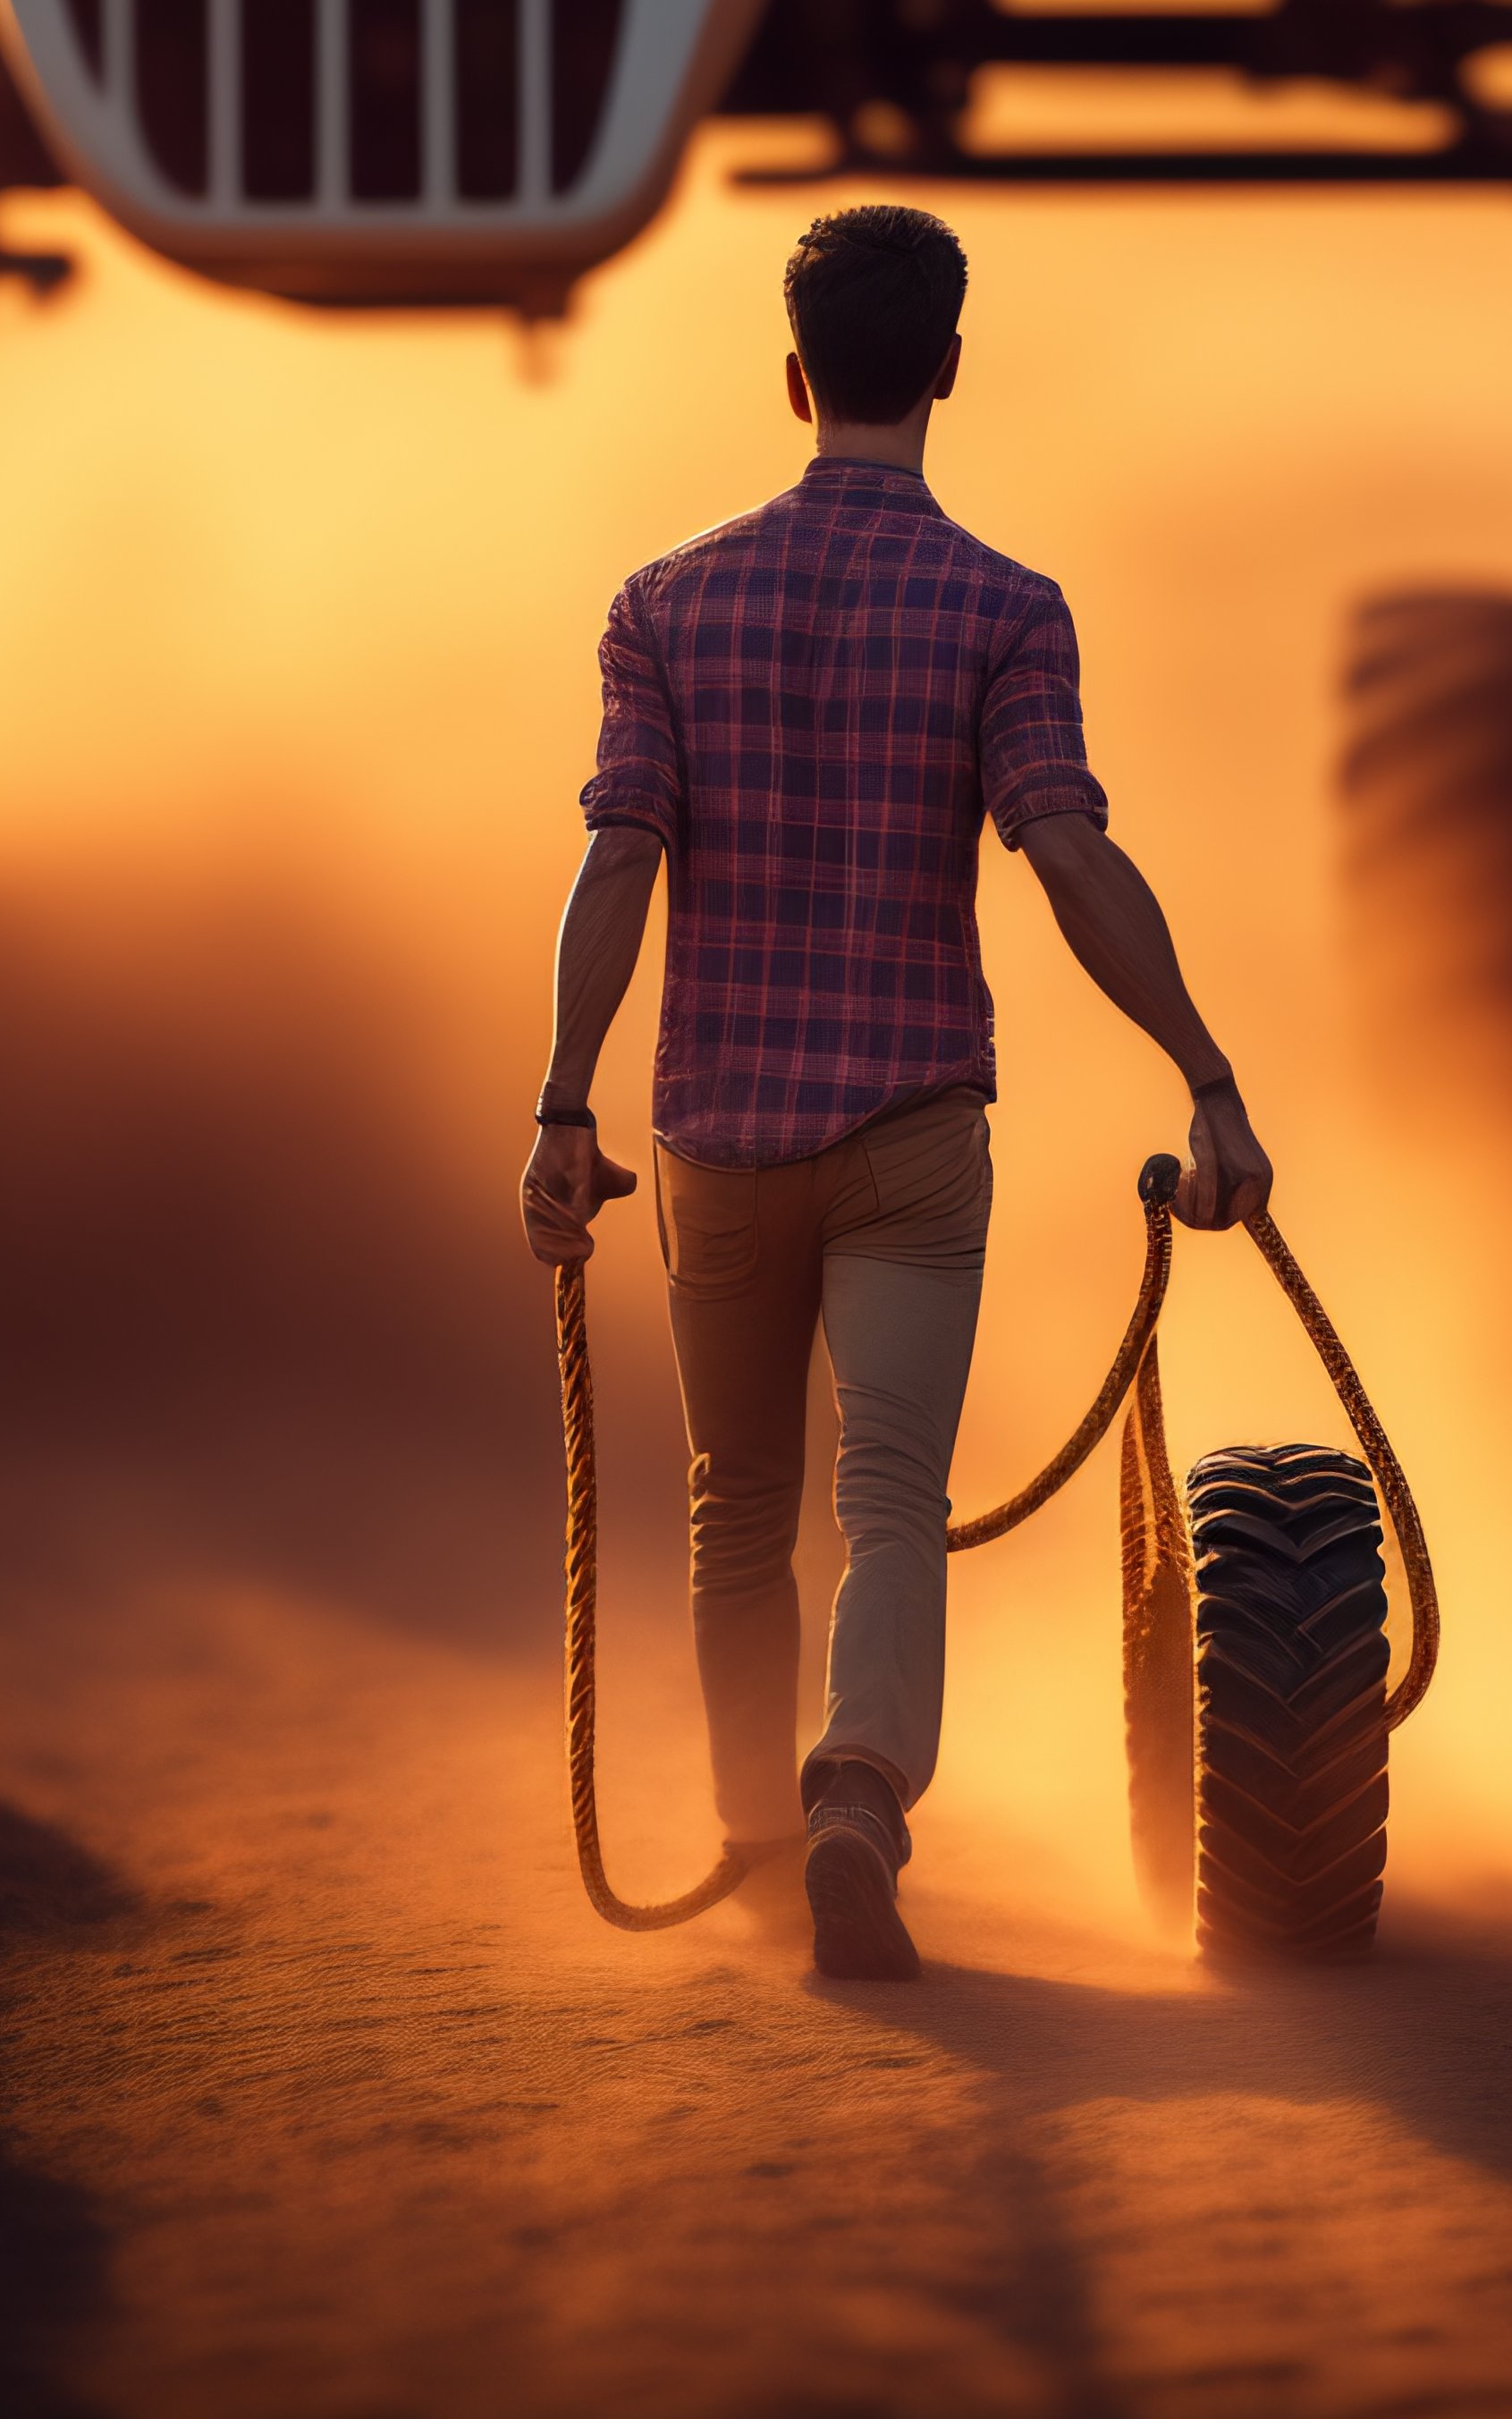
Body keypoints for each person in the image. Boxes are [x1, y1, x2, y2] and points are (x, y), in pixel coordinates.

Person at [518, 199, 1272, 1983]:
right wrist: (1205, 1070)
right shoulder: (1007, 609)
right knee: (889, 1497)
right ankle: (859, 1790)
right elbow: (1065, 852)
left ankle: (758, 1840)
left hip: (715, 1136)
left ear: (794, 378)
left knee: (735, 1505)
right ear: (945, 368)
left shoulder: (661, 604)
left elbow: (619, 857)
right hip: (914, 1134)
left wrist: (562, 1105)